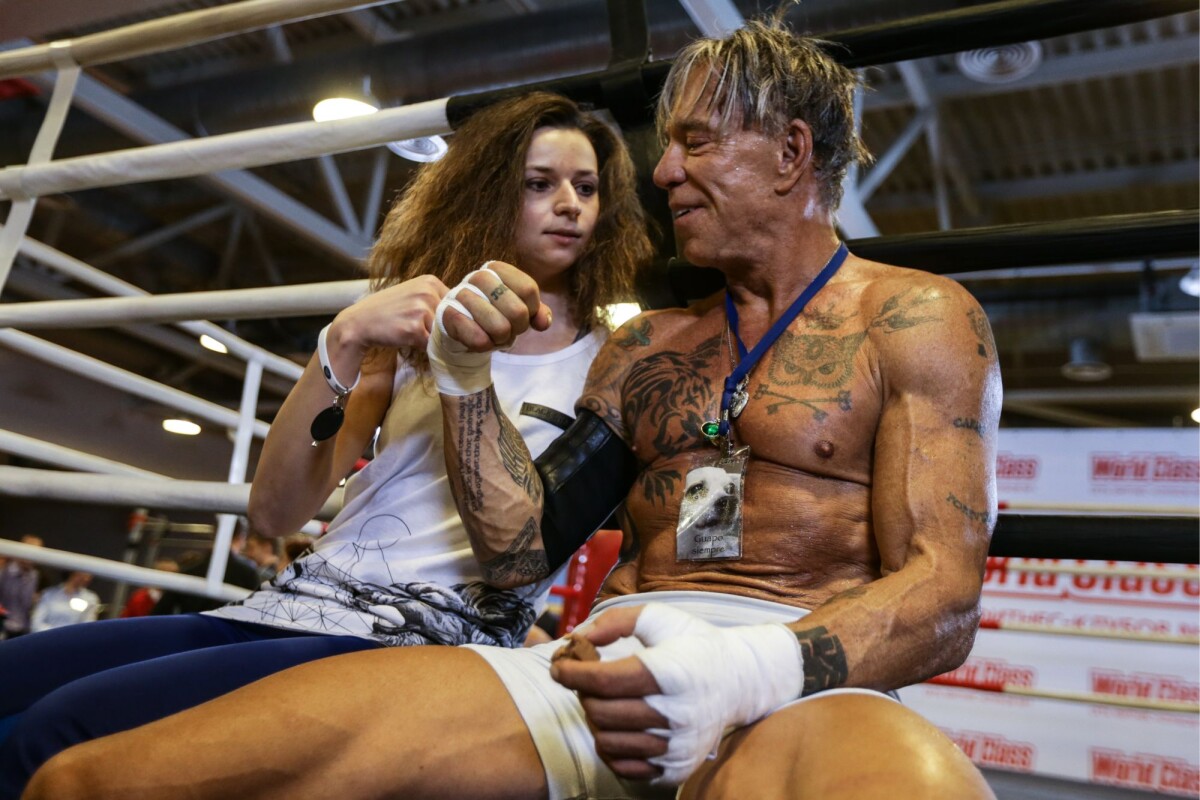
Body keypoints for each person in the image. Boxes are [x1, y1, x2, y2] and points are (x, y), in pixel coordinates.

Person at [24, 18, 1002, 800]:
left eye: (695, 143)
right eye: (667, 148)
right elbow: (517, 554)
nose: (660, 175)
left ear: (791, 153)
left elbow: (944, 595)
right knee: (83, 777)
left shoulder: (914, 317)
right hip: (588, 672)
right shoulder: (648, 347)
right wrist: (460, 377)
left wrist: (743, 671)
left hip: (798, 682)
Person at [0, 90, 650, 798]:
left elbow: (536, 547)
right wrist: (342, 340)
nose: (569, 204)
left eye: (586, 188)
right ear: (490, 192)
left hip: (406, 644)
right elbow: (276, 513)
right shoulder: (413, 326)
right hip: (291, 605)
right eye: (539, 183)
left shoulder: (612, 363)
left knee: (54, 731)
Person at [0, 536, 44, 639]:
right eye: (29, 551)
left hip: (23, 630)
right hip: (3, 627)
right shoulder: (4, 571)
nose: (31, 557)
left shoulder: (37, 576)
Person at [28, 573, 99, 633]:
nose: (87, 578)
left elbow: (87, 626)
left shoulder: (90, 598)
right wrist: (55, 634)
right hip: (45, 638)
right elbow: (36, 622)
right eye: (85, 573)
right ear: (74, 573)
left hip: (72, 641)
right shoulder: (49, 594)